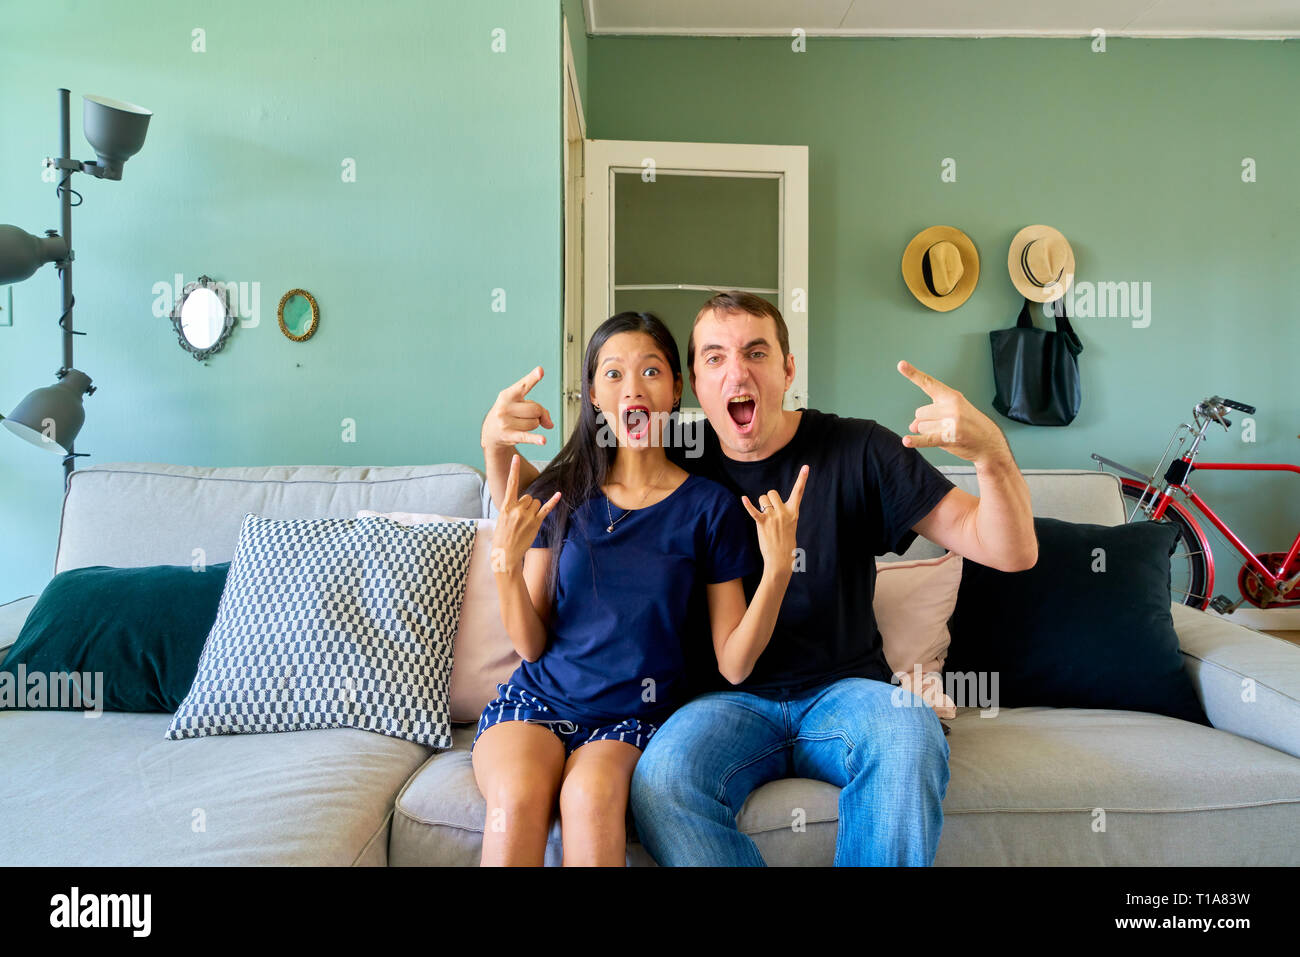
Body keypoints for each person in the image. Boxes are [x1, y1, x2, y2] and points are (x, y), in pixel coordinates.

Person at [480, 291, 1037, 866]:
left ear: (787, 369)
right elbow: (547, 521)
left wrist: (991, 452)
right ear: (693, 382)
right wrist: (496, 448)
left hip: (844, 692)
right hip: (722, 700)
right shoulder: (664, 459)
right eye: (715, 357)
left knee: (908, 734)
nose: (737, 372)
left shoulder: (858, 448)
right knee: (662, 779)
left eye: (756, 353)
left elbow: (1009, 551)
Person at [471, 311, 808, 866]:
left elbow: (735, 665)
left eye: (651, 372)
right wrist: (505, 565)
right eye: (613, 374)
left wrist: (775, 573)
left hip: (636, 718)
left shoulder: (710, 508)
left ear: (676, 390)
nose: (633, 389)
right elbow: (530, 646)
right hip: (538, 703)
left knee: (590, 796)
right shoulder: (562, 492)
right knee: (517, 795)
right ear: (594, 396)